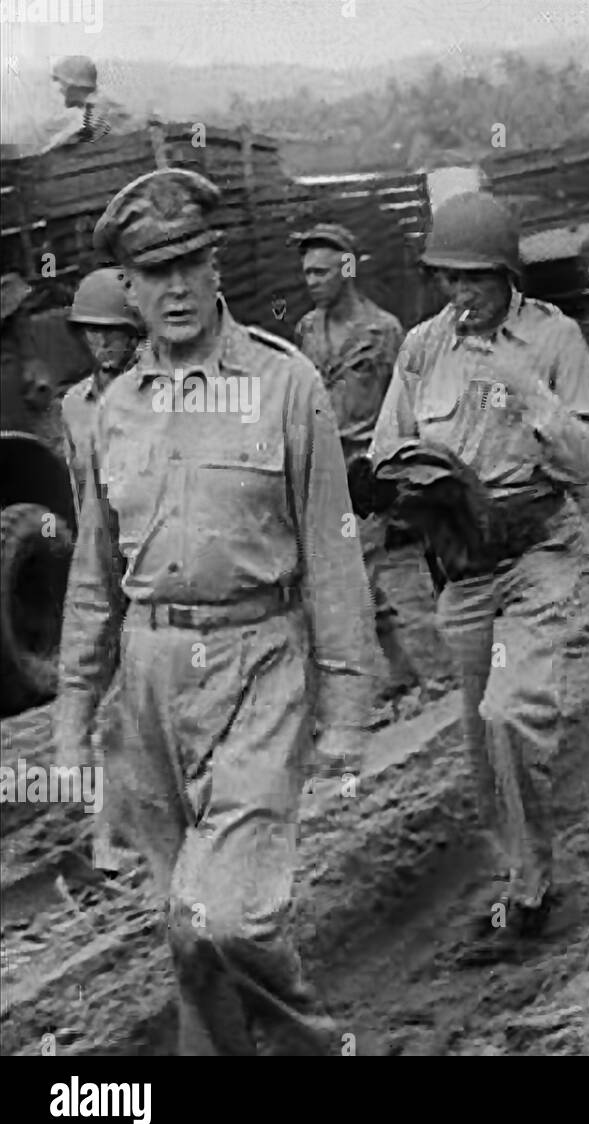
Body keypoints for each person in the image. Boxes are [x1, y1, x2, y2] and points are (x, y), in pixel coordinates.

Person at [55, 168, 381, 1055]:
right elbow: (93, 574)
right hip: (149, 681)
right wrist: (73, 720)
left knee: (227, 918)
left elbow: (332, 550)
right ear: (127, 286)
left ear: (215, 264)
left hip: (259, 666)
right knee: (186, 935)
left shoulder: (286, 385)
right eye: (153, 273)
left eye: (190, 264)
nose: (176, 288)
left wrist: (348, 712)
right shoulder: (114, 410)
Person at [370, 192, 589, 933]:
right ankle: (523, 870)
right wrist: (420, 484)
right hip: (462, 567)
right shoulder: (421, 349)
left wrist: (533, 398)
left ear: (509, 275)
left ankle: (532, 892)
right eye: (449, 279)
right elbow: (385, 451)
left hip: (536, 551)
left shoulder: (552, 339)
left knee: (510, 711)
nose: (462, 293)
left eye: (476, 278)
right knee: (482, 735)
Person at [293, 223, 422, 705]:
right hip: (324, 468)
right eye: (306, 273)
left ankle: (352, 684)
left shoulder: (383, 331)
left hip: (368, 469)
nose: (311, 281)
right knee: (341, 573)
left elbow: (407, 397)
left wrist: (403, 459)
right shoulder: (306, 329)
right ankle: (403, 665)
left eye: (321, 272)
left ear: (347, 270)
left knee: (356, 574)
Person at [60, 266, 144, 876]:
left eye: (113, 332)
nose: (103, 344)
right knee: (97, 692)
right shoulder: (75, 406)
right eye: (91, 333)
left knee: (132, 708)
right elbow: (77, 486)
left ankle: (114, 840)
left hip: (151, 557)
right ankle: (110, 838)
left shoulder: (157, 393)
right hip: (102, 559)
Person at [40, 55, 132, 153]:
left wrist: (58, 142)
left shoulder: (97, 111)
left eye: (56, 79)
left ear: (72, 83)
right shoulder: (102, 105)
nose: (55, 86)